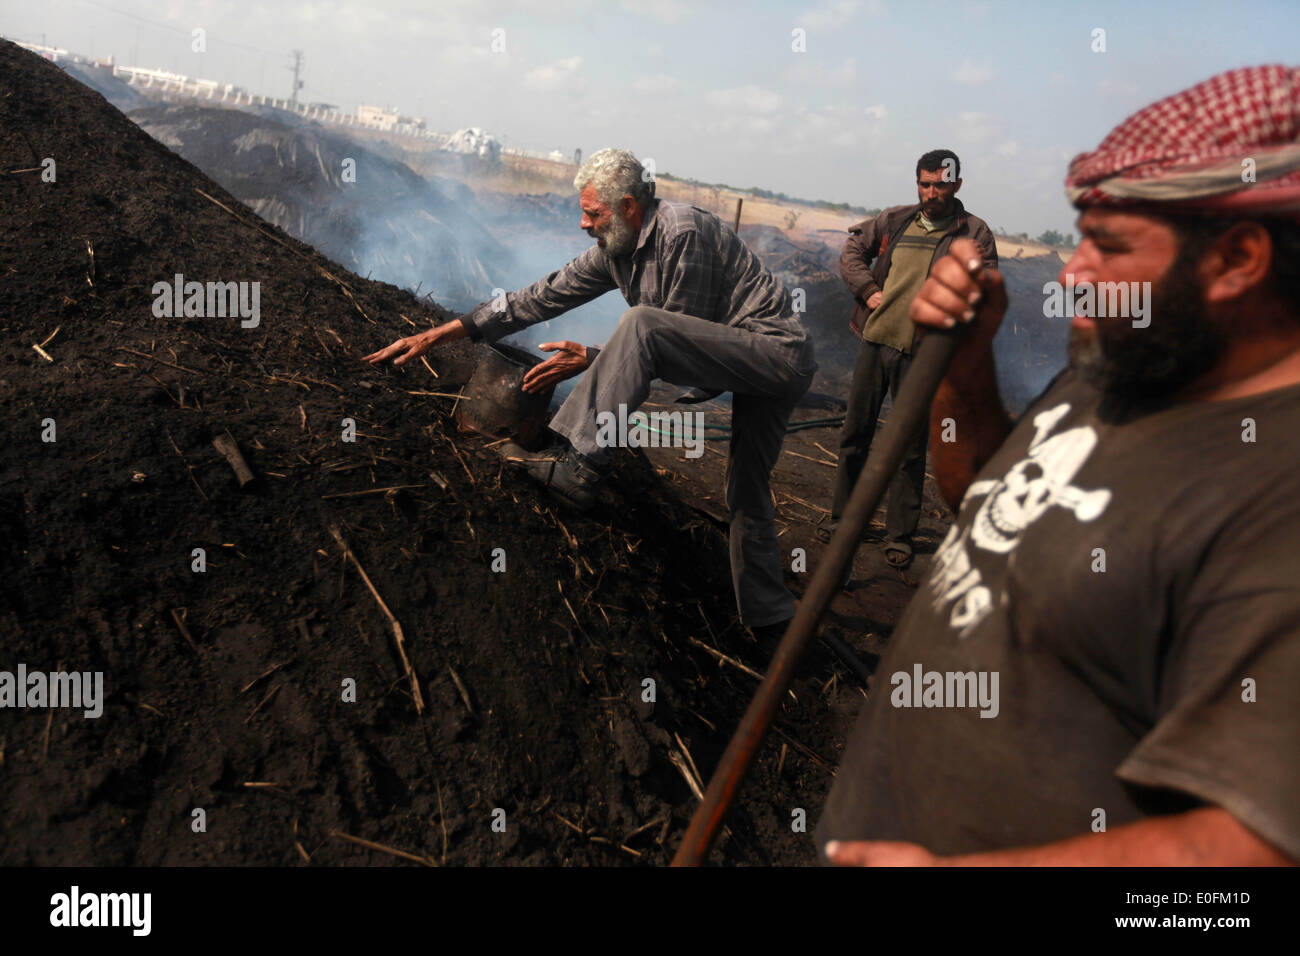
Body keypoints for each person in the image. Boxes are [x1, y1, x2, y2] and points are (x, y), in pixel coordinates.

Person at [816, 64, 1300, 865]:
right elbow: (987, 497)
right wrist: (965, 368)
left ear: (1237, 261)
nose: (1072, 276)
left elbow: (1239, 871)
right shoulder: (1130, 361)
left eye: (1106, 248)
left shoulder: (1275, 493)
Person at [364, 148, 816, 639]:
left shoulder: (682, 232)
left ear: (628, 206)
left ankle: (579, 464)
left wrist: (595, 356)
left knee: (640, 323)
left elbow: (675, 330)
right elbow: (538, 296)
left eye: (592, 213)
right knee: (746, 490)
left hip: (776, 354)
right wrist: (441, 333)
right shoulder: (614, 251)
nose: (583, 224)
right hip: (742, 358)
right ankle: (772, 621)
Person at [824, 150, 996, 571]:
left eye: (940, 184)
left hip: (923, 357)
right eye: (924, 183)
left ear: (956, 185)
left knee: (909, 449)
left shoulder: (973, 232)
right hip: (876, 341)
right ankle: (843, 520)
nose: (931, 192)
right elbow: (851, 251)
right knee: (855, 436)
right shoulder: (894, 220)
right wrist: (867, 291)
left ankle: (899, 535)